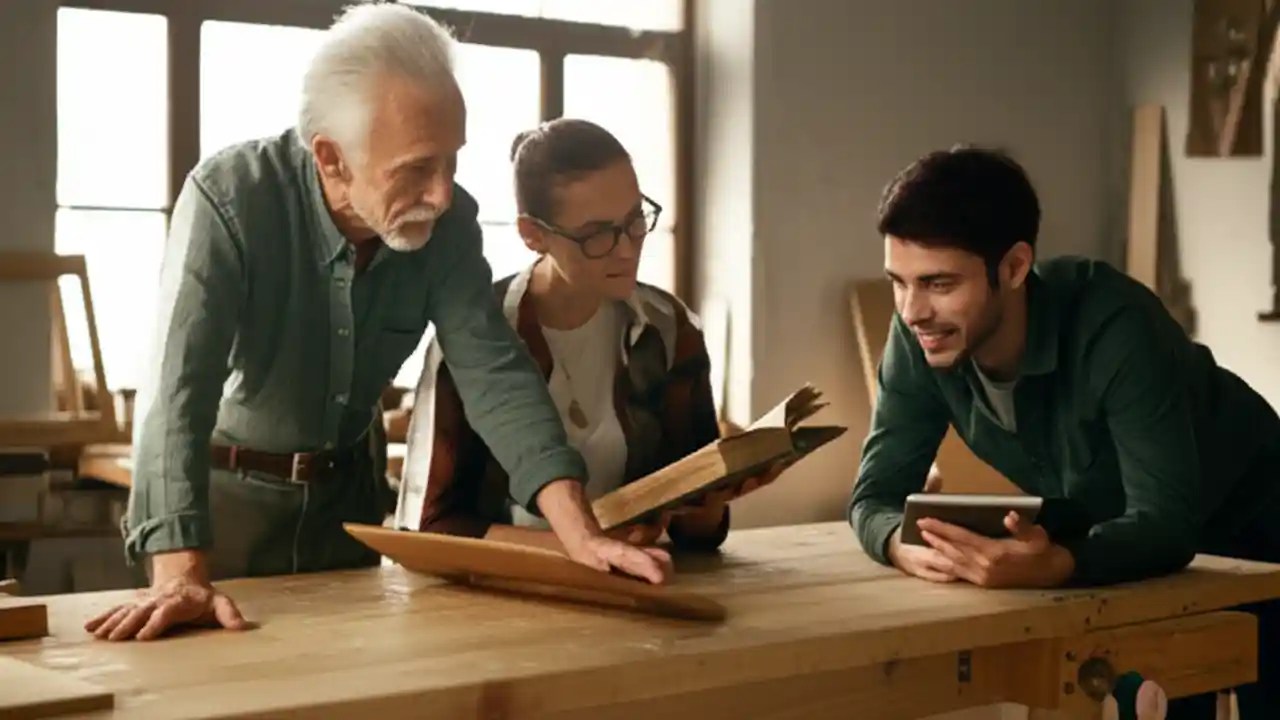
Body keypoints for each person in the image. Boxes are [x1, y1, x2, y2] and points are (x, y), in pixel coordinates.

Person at [86, 4, 667, 644]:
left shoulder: (448, 226)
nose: (443, 194)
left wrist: (577, 533)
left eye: (452, 161)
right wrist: (179, 571)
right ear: (331, 158)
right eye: (417, 168)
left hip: (351, 511)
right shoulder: (229, 200)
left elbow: (494, 373)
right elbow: (176, 395)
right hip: (226, 518)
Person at [848, 146, 1280, 717]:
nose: (912, 310)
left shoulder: (1117, 325)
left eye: (938, 283)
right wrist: (898, 547)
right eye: (898, 283)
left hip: (1259, 519)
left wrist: (1058, 563)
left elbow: (1171, 523)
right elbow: (873, 497)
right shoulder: (918, 337)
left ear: (1015, 267)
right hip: (1130, 545)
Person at [395, 118, 781, 550]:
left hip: (635, 584)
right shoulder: (475, 338)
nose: (628, 248)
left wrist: (714, 498)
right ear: (532, 235)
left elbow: (697, 537)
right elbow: (431, 527)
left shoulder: (668, 330)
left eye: (636, 219)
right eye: (597, 235)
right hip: (500, 598)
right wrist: (587, 547)